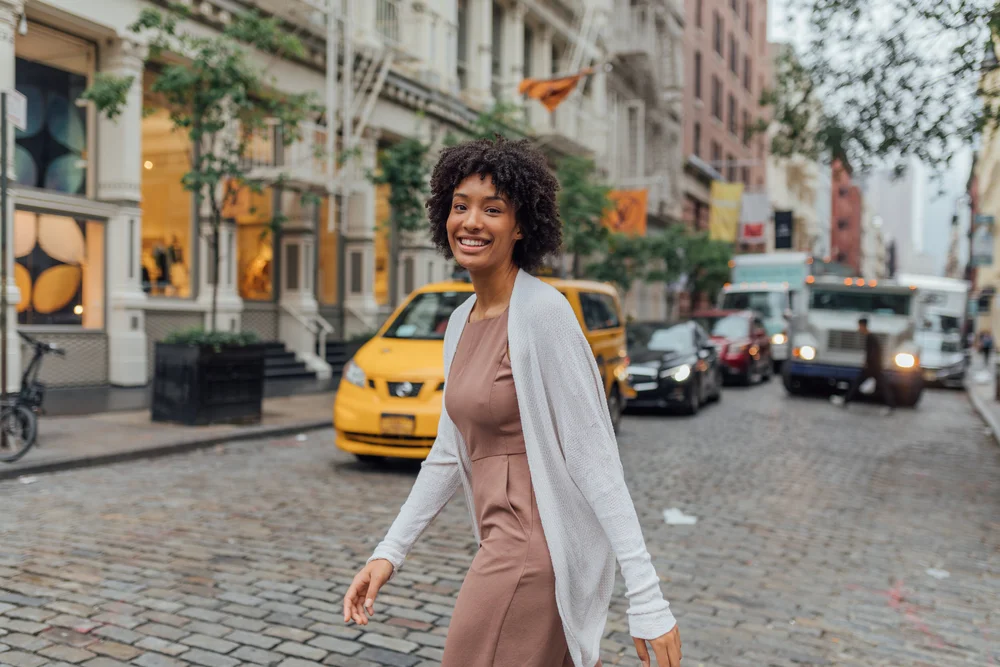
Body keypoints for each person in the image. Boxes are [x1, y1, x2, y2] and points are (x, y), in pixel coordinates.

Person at [342, 137, 682, 667]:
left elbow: (596, 458)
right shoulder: (460, 322)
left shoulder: (544, 315)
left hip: (530, 553)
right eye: (460, 206)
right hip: (502, 544)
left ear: (521, 226)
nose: (471, 221)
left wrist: (648, 596)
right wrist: (389, 552)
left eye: (493, 209)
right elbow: (450, 453)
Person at [833, 317, 894, 414]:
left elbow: (872, 353)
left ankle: (846, 401)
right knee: (881, 385)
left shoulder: (870, 337)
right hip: (874, 366)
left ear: (862, 326)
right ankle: (890, 405)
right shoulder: (871, 337)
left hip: (872, 367)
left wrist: (868, 363)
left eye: (859, 326)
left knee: (859, 383)